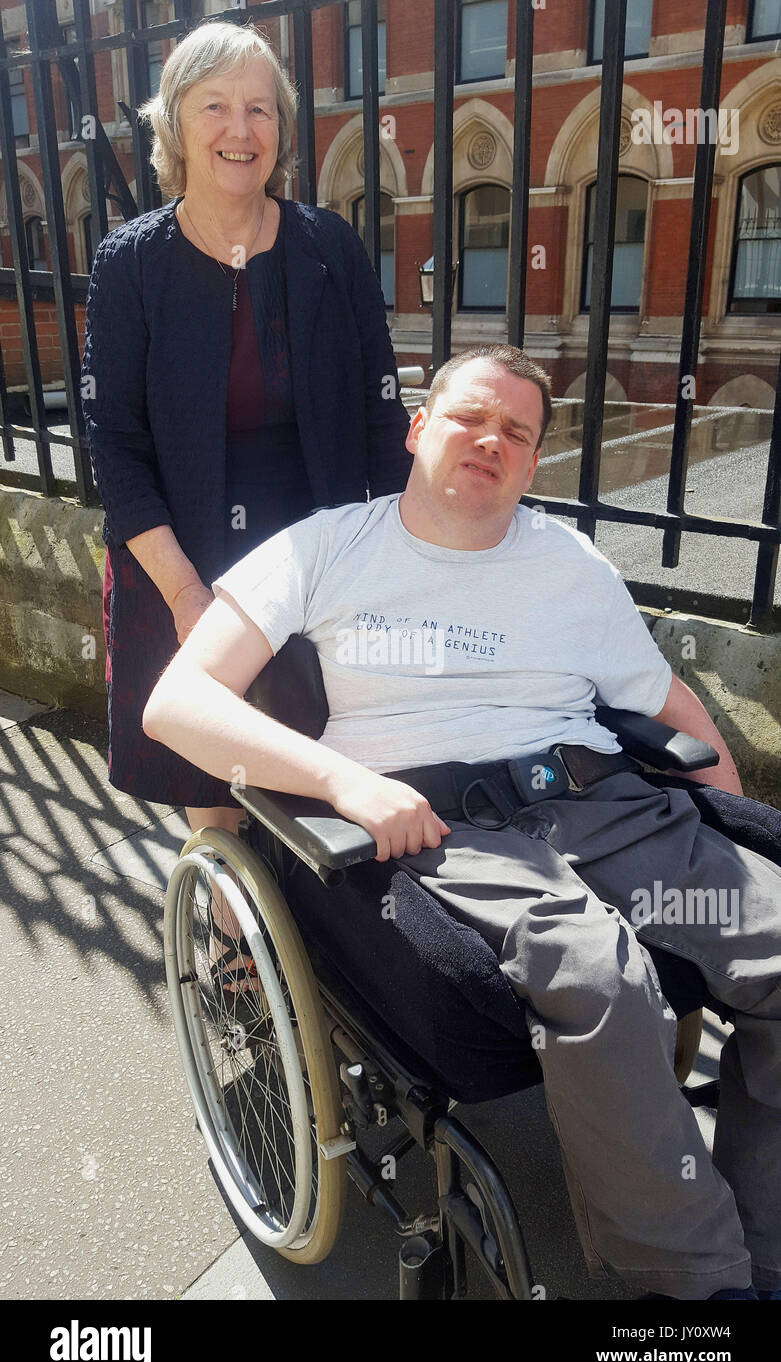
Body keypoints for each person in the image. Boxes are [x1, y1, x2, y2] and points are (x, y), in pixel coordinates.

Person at [141, 343, 781, 1302]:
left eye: (516, 433)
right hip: (438, 825)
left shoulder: (572, 562)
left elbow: (668, 702)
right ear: (417, 428)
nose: (491, 440)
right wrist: (344, 783)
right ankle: (693, 1291)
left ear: (531, 463)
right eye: (469, 418)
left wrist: (729, 811)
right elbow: (177, 705)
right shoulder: (326, 547)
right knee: (600, 975)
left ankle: (765, 1250)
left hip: (603, 799)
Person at [81, 18, 410, 845]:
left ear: (282, 129)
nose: (239, 130)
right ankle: (228, 929)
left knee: (325, 749)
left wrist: (401, 557)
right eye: (214, 107)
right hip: (180, 552)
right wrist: (188, 594)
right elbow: (111, 443)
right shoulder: (131, 263)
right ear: (174, 127)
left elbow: (379, 415)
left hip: (313, 544)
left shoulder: (330, 248)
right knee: (215, 773)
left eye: (259, 109)